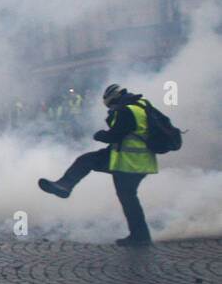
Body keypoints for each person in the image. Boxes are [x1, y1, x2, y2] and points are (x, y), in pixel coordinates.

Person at [38, 83, 155, 246]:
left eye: (111, 105)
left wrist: (100, 135)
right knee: (128, 197)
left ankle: (140, 236)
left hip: (129, 162)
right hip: (137, 160)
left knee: (125, 195)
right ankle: (140, 235)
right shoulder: (141, 105)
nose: (111, 107)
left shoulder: (125, 110)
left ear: (113, 99)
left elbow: (115, 135)